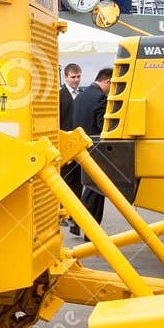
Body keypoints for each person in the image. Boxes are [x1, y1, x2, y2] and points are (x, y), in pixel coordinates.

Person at [71, 67, 114, 227]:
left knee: (90, 188)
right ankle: (89, 226)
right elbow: (102, 125)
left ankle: (80, 223)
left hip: (80, 146)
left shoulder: (81, 96)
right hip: (95, 148)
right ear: (108, 81)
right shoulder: (100, 98)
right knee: (96, 190)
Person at [58, 64, 83, 224]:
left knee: (78, 180)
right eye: (73, 77)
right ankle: (62, 211)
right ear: (66, 77)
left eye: (78, 76)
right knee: (65, 180)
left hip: (78, 144)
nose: (76, 80)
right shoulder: (60, 96)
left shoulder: (81, 95)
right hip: (65, 143)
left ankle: (75, 213)